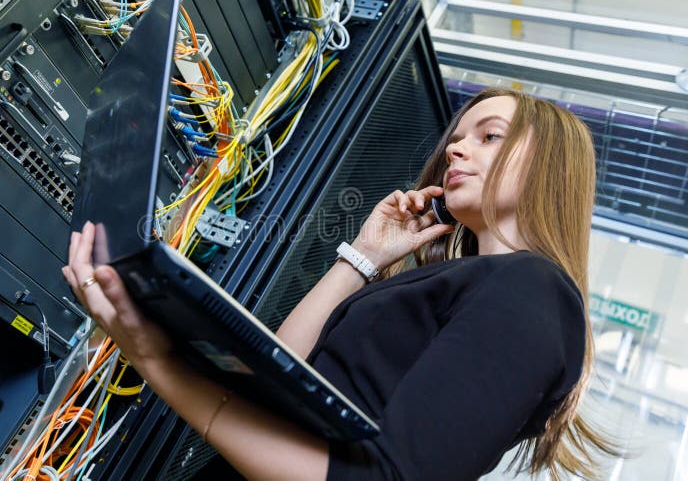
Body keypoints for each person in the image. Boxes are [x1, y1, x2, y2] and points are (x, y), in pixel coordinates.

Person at [62, 88, 616, 479]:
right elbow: (279, 372)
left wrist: (157, 361)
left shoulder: (534, 291)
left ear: (550, 166)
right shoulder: (477, 281)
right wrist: (365, 257)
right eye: (456, 138)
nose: (454, 148)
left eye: (490, 136)